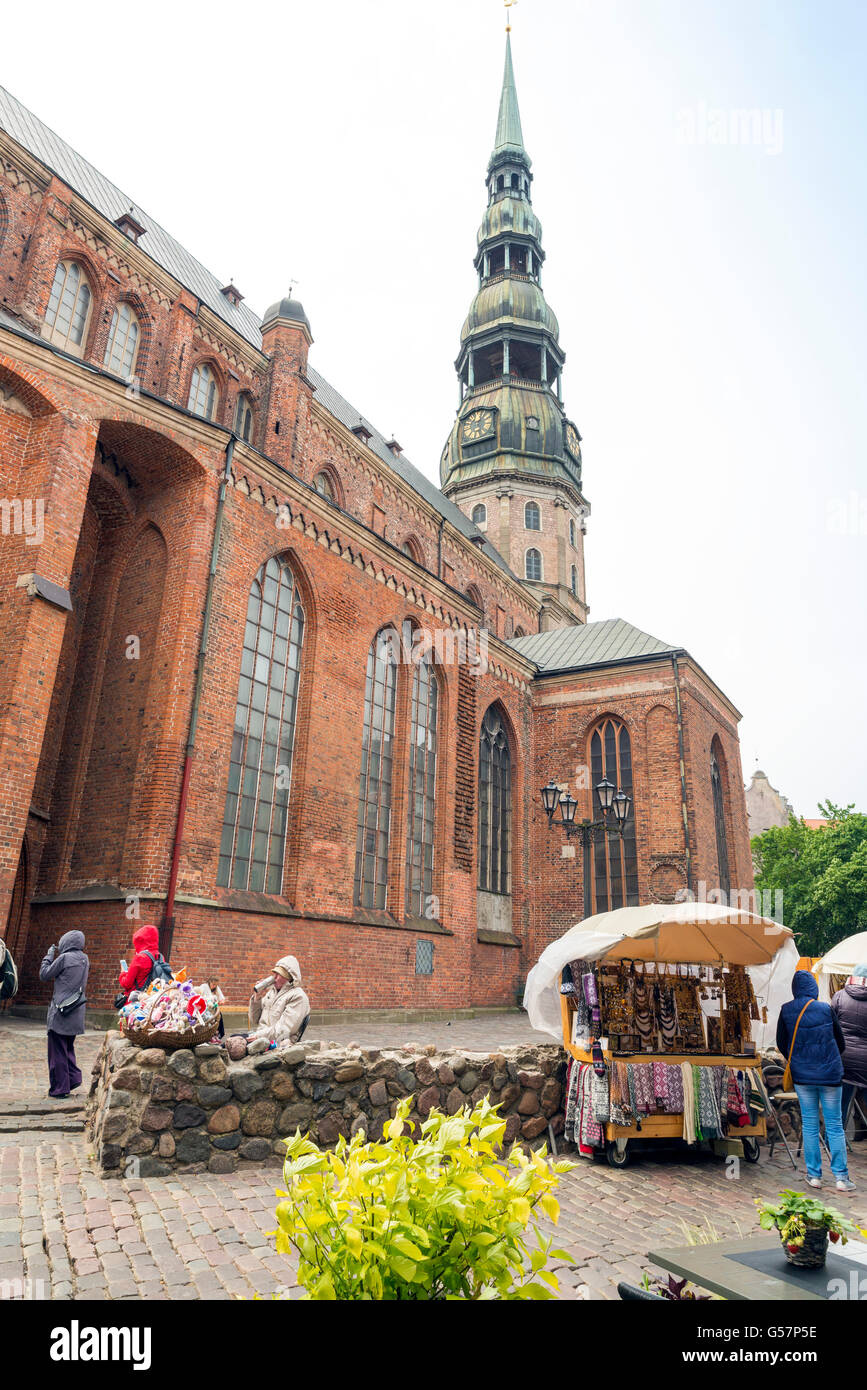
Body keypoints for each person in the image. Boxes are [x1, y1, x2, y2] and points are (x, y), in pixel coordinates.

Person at [776, 969, 855, 1193]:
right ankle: (841, 1177)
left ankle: (814, 1176)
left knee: (809, 1125)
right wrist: (828, 1058)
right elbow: (841, 1042)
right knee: (835, 1125)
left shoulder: (786, 1011)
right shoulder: (825, 1009)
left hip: (803, 1077)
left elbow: (782, 1043)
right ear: (813, 988)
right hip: (830, 1075)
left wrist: (800, 1060)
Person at [39, 930, 89, 1099]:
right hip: (76, 1010)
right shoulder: (84, 958)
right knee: (68, 1048)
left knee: (57, 1051)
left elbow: (44, 974)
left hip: (61, 1011)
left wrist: (49, 955)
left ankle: (60, 1088)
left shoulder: (64, 958)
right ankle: (73, 1078)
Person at [246, 956, 309, 1053]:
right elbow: (255, 1019)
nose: (274, 977)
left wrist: (258, 1036)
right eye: (274, 973)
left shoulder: (298, 996)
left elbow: (283, 1029)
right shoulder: (271, 993)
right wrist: (257, 998)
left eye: (278, 974)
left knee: (236, 1046)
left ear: (288, 977)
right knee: (232, 1041)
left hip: (278, 1044)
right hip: (261, 1038)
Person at [832, 964, 867, 1135]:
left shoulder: (839, 996)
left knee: (840, 1106)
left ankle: (833, 1142)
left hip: (843, 1059)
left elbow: (832, 1028)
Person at [118, 923, 164, 1002]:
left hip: (135, 999)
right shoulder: (160, 957)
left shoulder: (140, 957)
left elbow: (126, 983)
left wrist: (123, 973)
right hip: (151, 1000)